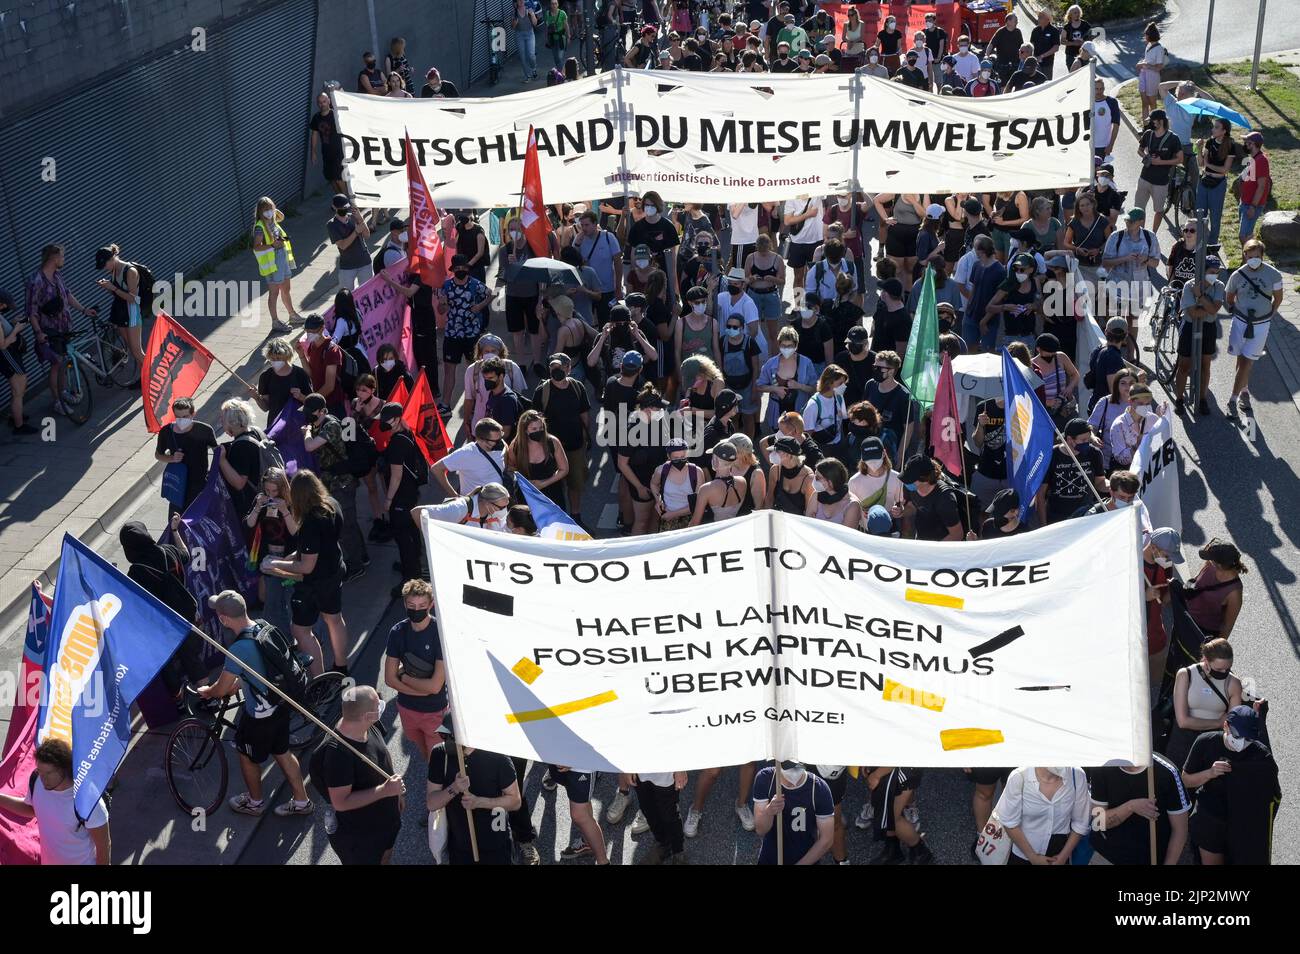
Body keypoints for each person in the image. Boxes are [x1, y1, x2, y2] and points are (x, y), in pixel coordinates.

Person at [198, 590, 314, 818]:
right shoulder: (262, 626)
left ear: (223, 619)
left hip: (260, 715)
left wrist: (208, 691)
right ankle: (302, 802)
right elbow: (262, 668)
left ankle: (255, 802)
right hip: (280, 703)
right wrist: (240, 683)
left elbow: (221, 689)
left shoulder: (238, 649)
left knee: (246, 755)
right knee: (282, 751)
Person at [260, 470, 350, 676]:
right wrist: (284, 560)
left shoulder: (311, 521)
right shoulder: (332, 503)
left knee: (300, 630)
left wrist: (275, 564)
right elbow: (310, 549)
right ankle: (341, 666)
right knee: (334, 619)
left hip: (315, 583)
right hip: (334, 569)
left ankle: (318, 680)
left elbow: (306, 566)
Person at [1181, 705, 1280, 865]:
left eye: (1248, 739)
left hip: (1244, 823)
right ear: (1226, 726)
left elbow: (1271, 794)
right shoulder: (1206, 742)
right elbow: (1186, 780)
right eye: (1238, 736)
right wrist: (1210, 773)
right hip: (1210, 818)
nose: (1242, 743)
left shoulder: (1261, 756)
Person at [320, 684, 405, 865]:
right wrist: (385, 790)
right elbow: (341, 802)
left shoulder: (369, 726)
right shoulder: (338, 755)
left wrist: (395, 794)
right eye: (377, 704)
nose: (382, 704)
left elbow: (382, 756)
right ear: (366, 716)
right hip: (362, 835)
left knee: (385, 856)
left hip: (386, 821)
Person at [426, 718, 522, 866]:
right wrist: (454, 788)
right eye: (443, 736)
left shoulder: (497, 756)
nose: (445, 741)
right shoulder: (440, 754)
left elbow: (515, 801)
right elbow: (432, 804)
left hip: (496, 841)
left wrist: (479, 802)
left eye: (450, 737)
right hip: (460, 843)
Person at [0, 737, 109, 864]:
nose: (43, 778)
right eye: (40, 771)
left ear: (64, 769)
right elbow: (31, 809)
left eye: (48, 773)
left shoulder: (88, 799)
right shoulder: (36, 781)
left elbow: (104, 847)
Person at [25, 244, 100, 415]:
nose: (64, 259)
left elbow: (67, 294)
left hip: (64, 327)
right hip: (49, 331)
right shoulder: (35, 281)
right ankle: (58, 402)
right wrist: (38, 332)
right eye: (62, 256)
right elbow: (31, 311)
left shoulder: (57, 275)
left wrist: (83, 310)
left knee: (63, 363)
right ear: (54, 257)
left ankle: (63, 390)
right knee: (56, 364)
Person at [302, 393, 367, 582]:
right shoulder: (320, 423)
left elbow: (310, 446)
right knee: (349, 523)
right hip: (333, 480)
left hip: (342, 482)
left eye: (311, 412)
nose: (308, 416)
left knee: (346, 525)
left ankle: (356, 566)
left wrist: (306, 432)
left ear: (322, 411)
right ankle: (361, 556)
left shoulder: (331, 425)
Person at [1089, 754, 1190, 866]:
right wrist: (1130, 807)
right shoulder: (1102, 767)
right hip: (1106, 856)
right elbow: (1098, 822)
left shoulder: (1167, 773)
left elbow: (1180, 830)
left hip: (1149, 859)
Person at [1224, 238, 1283, 417]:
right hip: (1241, 322)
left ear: (1262, 256)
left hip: (1260, 325)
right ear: (1245, 255)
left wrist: (1269, 315)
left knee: (1247, 361)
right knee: (1241, 360)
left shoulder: (1274, 274)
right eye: (1250, 256)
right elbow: (1229, 297)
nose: (1253, 259)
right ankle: (1244, 391)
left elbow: (1278, 298)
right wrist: (1237, 311)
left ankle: (1233, 400)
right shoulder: (1237, 275)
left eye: (1257, 256)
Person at [997, 766, 1090, 865]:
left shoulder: (1077, 775)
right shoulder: (1019, 776)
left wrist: (1063, 857)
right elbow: (1009, 822)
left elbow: (1081, 823)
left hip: (1059, 854)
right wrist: (1033, 857)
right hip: (1023, 853)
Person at [1102, 209, 1161, 361]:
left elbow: (1156, 262)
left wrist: (1146, 260)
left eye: (1131, 221)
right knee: (1115, 318)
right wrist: (1125, 258)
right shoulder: (1117, 236)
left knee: (1133, 318)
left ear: (1141, 222)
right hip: (1117, 282)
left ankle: (1130, 354)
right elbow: (1106, 262)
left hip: (1139, 284)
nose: (1127, 223)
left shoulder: (1150, 237)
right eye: (1127, 220)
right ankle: (1111, 352)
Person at [753, 760, 834, 865]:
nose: (794, 772)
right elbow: (760, 830)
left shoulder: (819, 789)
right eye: (789, 767)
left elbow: (826, 839)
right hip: (770, 858)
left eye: (797, 767)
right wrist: (769, 812)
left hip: (806, 859)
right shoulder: (765, 779)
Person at [1174, 255, 1225, 416]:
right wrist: (1208, 307)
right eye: (1211, 272)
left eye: (1217, 272)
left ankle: (1202, 399)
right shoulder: (1189, 286)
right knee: (1184, 365)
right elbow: (1193, 313)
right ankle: (1179, 399)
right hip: (1189, 326)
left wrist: (1201, 297)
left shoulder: (1219, 286)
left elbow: (1214, 310)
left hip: (1209, 327)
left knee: (1205, 365)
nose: (1214, 275)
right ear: (1202, 272)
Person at [154, 397, 218, 516]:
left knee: (198, 520)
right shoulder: (166, 432)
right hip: (178, 484)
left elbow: (218, 453)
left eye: (185, 417)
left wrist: (213, 474)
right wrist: (172, 458)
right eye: (178, 417)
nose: (181, 420)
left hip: (199, 484)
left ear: (193, 414)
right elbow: (158, 455)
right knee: (175, 521)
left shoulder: (205, 430)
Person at [1036, 418, 1107, 525]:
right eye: (1083, 440)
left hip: (1085, 515)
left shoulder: (1094, 454)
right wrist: (1043, 524)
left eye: (1088, 440)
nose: (1087, 443)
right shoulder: (1051, 455)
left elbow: (1100, 482)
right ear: (1069, 439)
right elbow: (1040, 494)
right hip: (1057, 518)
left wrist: (1114, 486)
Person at [93, 244, 147, 374]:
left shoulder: (130, 271)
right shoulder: (113, 270)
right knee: (132, 349)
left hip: (132, 313)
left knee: (137, 351)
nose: (105, 269)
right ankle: (144, 379)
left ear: (112, 259)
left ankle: (158, 376)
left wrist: (112, 288)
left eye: (105, 265)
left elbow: (134, 299)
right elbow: (119, 294)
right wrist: (108, 287)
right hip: (121, 313)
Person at [756, 326, 817, 433]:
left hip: (799, 415)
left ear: (796, 346)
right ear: (779, 345)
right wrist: (775, 389)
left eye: (790, 346)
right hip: (777, 415)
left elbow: (814, 389)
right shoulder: (770, 364)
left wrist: (799, 386)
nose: (787, 349)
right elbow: (760, 386)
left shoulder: (806, 363)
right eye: (784, 346)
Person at [1143, 527, 1183, 686]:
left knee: (1158, 662)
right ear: (1153, 548)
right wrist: (1144, 597)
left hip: (1155, 629)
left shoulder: (1164, 563)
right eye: (1167, 555)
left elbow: (1165, 594)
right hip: (1139, 628)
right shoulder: (1133, 565)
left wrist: (1172, 593)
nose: (1169, 561)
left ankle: (1156, 692)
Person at [1186, 540, 1247, 640]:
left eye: (1210, 559)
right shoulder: (1210, 564)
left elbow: (1227, 626)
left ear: (1219, 565)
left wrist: (1216, 650)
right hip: (1186, 615)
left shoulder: (1234, 593)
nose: (1208, 560)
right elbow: (1198, 579)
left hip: (1202, 632)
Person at [217, 398, 266, 519]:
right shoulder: (256, 431)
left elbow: (239, 483)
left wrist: (222, 461)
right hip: (262, 497)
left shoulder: (241, 446)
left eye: (223, 420)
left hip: (249, 506)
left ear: (232, 422)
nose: (221, 422)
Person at [1136, 110, 1184, 234]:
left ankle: (1152, 234)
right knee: (1139, 209)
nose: (1150, 123)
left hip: (1161, 182)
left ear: (1161, 121)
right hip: (1144, 178)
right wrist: (1147, 157)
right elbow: (1140, 150)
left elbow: (1180, 159)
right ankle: (1141, 235)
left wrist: (1161, 162)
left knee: (1158, 210)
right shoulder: (1148, 134)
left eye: (1152, 120)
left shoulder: (1173, 138)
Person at [863, 351, 913, 463]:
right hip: (869, 446)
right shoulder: (870, 385)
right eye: (874, 367)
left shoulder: (903, 396)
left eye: (880, 368)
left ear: (891, 371)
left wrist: (899, 457)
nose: (876, 370)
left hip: (890, 451)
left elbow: (908, 429)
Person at [899, 455, 962, 541]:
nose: (906, 483)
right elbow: (912, 507)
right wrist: (902, 512)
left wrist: (932, 550)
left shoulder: (945, 499)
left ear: (925, 479)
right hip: (921, 540)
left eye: (910, 479)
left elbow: (957, 535)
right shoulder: (912, 486)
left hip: (940, 545)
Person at [253, 337, 310, 427]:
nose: (275, 361)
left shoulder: (300, 373)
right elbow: (266, 407)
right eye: (272, 358)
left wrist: (300, 396)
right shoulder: (266, 376)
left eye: (279, 358)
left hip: (297, 425)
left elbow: (311, 402)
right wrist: (257, 398)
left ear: (287, 356)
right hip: (275, 426)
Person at [1197, 119, 1238, 244]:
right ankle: (1199, 241)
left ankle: (1212, 244)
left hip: (1218, 184)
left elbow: (1225, 170)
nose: (1212, 129)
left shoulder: (1230, 146)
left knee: (1215, 216)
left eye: (1216, 127)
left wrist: (1208, 164)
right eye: (1213, 127)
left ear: (1224, 131)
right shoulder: (1210, 142)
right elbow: (1201, 163)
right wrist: (1199, 149)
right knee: (1200, 213)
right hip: (1204, 180)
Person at [0, 291, 35, 434]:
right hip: (6, 355)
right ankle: (18, 426)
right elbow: (2, 344)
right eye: (4, 306)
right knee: (18, 390)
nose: (4, 308)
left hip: (10, 355)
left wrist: (13, 323)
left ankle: (15, 415)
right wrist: (16, 331)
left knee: (18, 389)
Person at [1107, 383, 1159, 472]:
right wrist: (1136, 447)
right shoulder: (1119, 425)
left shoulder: (1153, 419)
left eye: (1148, 403)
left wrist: (1163, 420)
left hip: (1149, 469)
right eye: (1141, 403)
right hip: (1129, 472)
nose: (1145, 407)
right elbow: (1120, 458)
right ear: (1130, 401)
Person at [801, 364, 847, 453]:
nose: (844, 386)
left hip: (838, 444)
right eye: (840, 383)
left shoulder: (839, 398)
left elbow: (844, 417)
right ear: (829, 383)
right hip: (821, 448)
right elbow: (807, 434)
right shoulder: (814, 404)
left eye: (844, 383)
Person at [309, 92, 347, 195]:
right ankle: (340, 200)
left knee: (338, 178)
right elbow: (314, 135)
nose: (322, 104)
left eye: (324, 101)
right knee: (331, 178)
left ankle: (348, 202)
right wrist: (313, 152)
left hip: (338, 152)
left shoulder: (336, 115)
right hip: (326, 153)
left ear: (329, 101)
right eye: (320, 102)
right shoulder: (316, 118)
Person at [1237, 131, 1271, 242]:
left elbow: (1261, 186)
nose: (1245, 145)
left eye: (1247, 143)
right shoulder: (1253, 159)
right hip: (1245, 202)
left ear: (1253, 144)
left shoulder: (1261, 161)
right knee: (1245, 236)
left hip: (1251, 205)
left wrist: (1253, 206)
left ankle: (1250, 258)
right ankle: (1247, 258)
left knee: (1245, 236)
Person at [808, 458, 859, 528]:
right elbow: (807, 526)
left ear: (831, 481)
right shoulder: (816, 495)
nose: (814, 480)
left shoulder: (852, 505)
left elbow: (846, 536)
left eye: (818, 477)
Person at [1137, 22, 1167, 121]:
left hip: (1152, 77)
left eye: (1146, 34)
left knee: (1152, 103)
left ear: (1150, 35)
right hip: (1143, 75)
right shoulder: (1148, 45)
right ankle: (1145, 126)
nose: (1145, 36)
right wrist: (1141, 63)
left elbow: (1159, 67)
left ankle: (1154, 124)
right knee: (1144, 102)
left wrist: (1146, 65)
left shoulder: (1159, 49)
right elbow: (1148, 60)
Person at [514, 0, 541, 82]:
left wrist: (532, 15)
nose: (521, 1)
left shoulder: (529, 10)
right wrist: (515, 23)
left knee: (531, 54)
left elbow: (535, 23)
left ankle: (534, 69)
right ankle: (527, 76)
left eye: (522, 0)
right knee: (522, 56)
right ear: (516, 2)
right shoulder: (514, 12)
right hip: (519, 35)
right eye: (519, 0)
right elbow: (512, 27)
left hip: (530, 34)